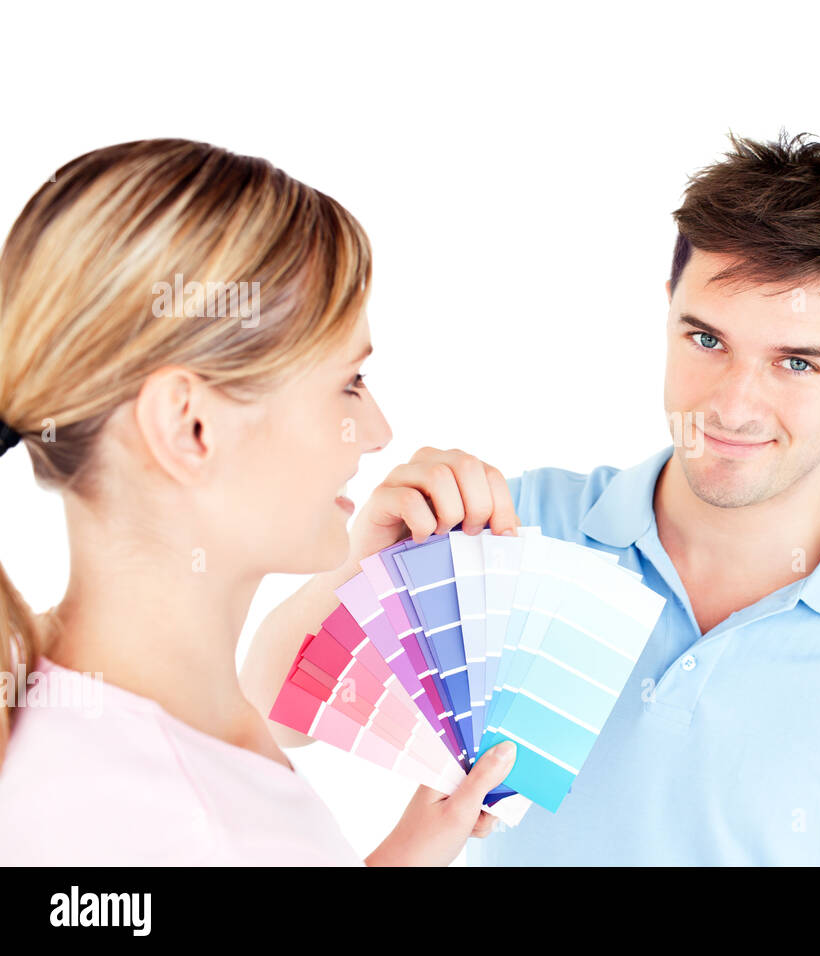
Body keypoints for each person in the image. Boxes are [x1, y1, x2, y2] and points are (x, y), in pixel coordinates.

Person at [244, 131, 820, 866]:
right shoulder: (515, 531)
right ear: (668, 312)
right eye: (706, 340)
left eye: (796, 363)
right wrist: (356, 566)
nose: (734, 406)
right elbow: (267, 716)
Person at [0, 139, 520, 865]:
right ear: (191, 427)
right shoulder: (147, 818)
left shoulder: (99, 728)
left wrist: (409, 849)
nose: (377, 431)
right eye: (348, 384)